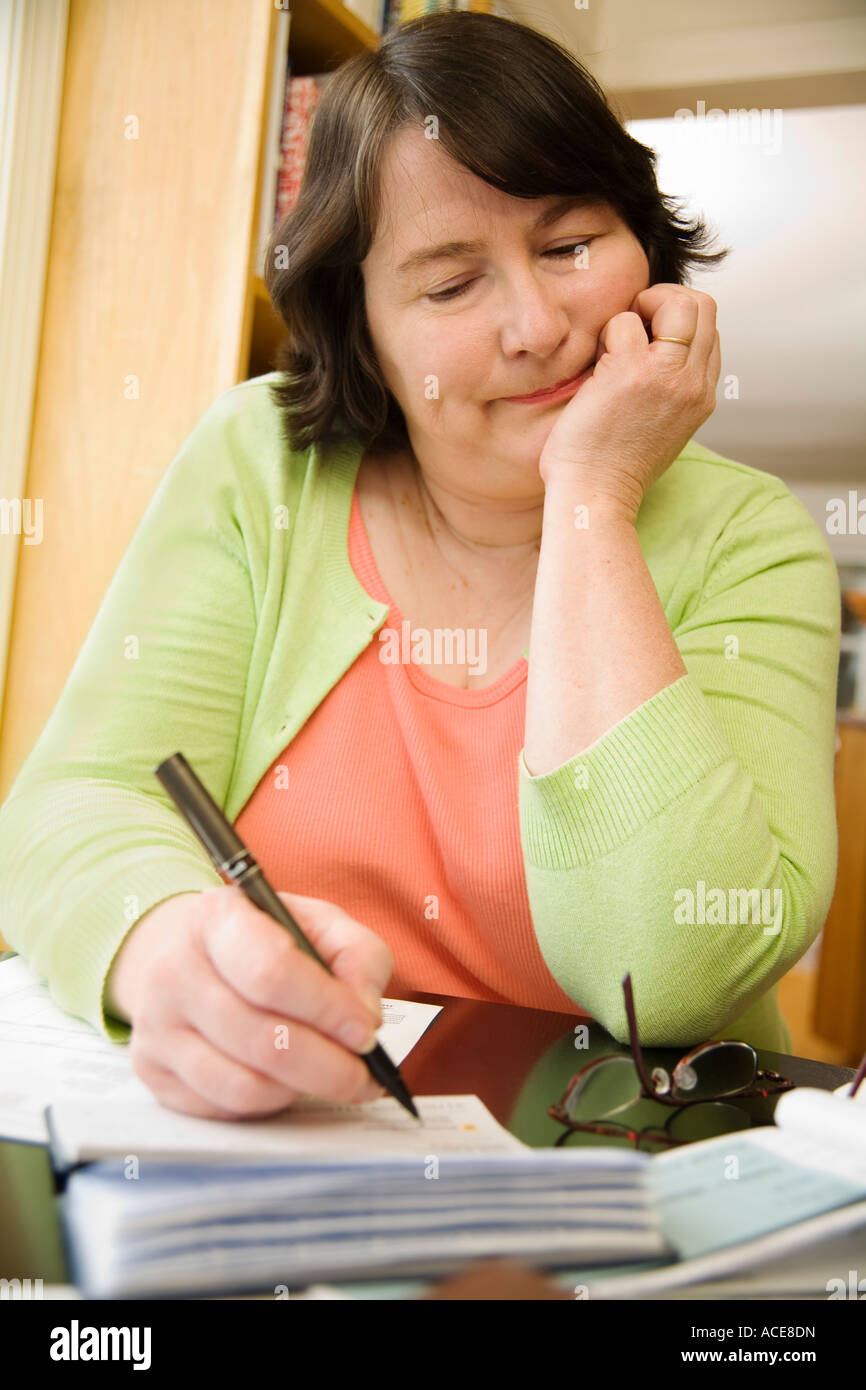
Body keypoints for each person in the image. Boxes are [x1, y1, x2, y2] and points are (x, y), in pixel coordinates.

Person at [0, 13, 839, 1123]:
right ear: (365, 331)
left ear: (644, 249)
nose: (537, 326)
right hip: (307, 1140)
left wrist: (592, 496)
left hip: (628, 1157)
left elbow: (673, 974)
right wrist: (163, 944)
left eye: (568, 246)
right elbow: (80, 798)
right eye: (449, 286)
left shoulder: (751, 537)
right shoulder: (262, 462)